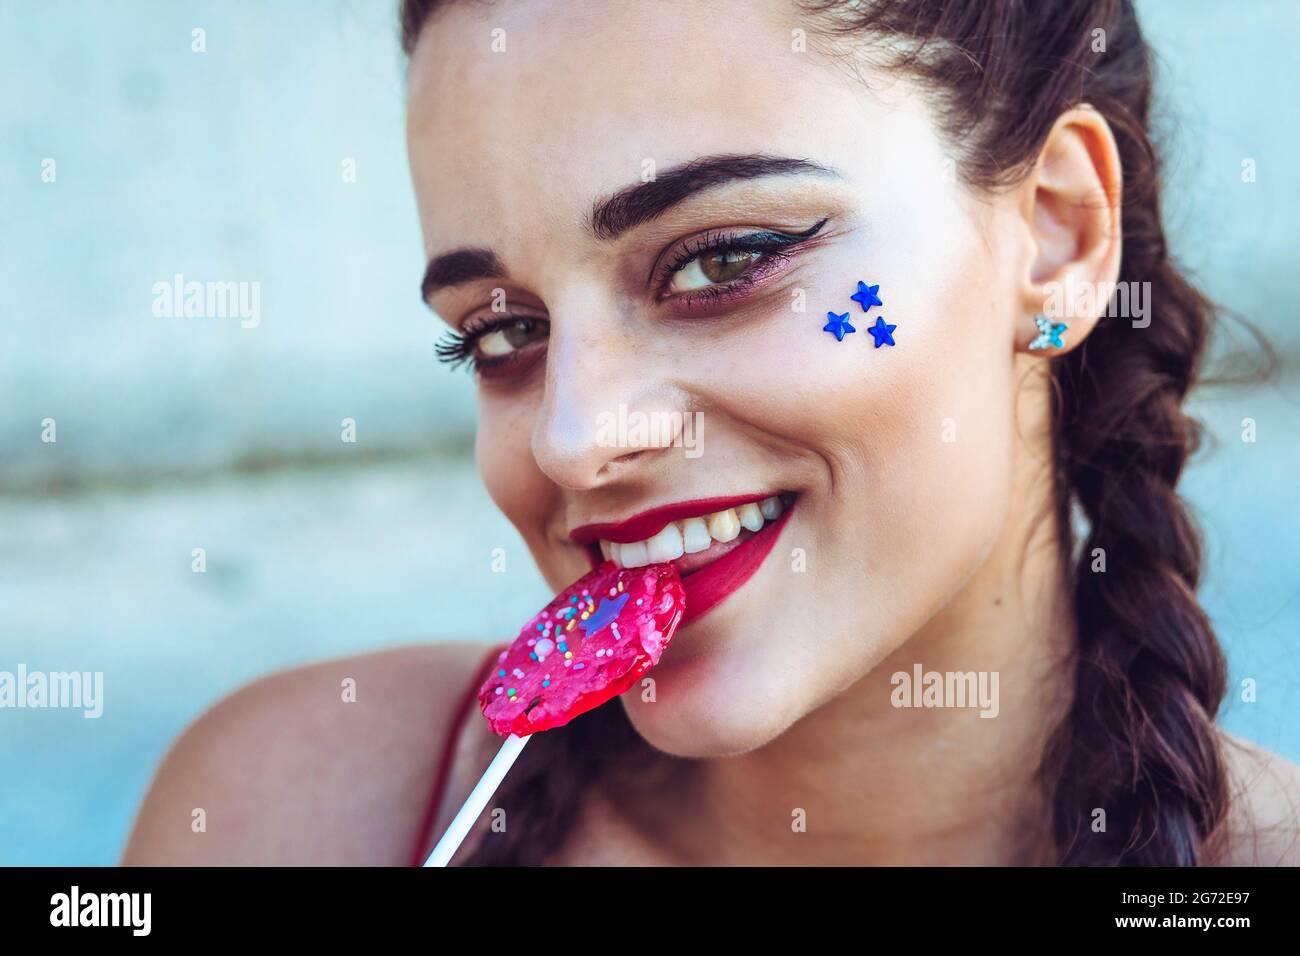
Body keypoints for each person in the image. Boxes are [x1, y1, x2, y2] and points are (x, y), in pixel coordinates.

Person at [124, 0, 1300, 866]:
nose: (577, 439)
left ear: (1054, 237)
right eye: (499, 333)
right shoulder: (284, 813)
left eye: (723, 260)